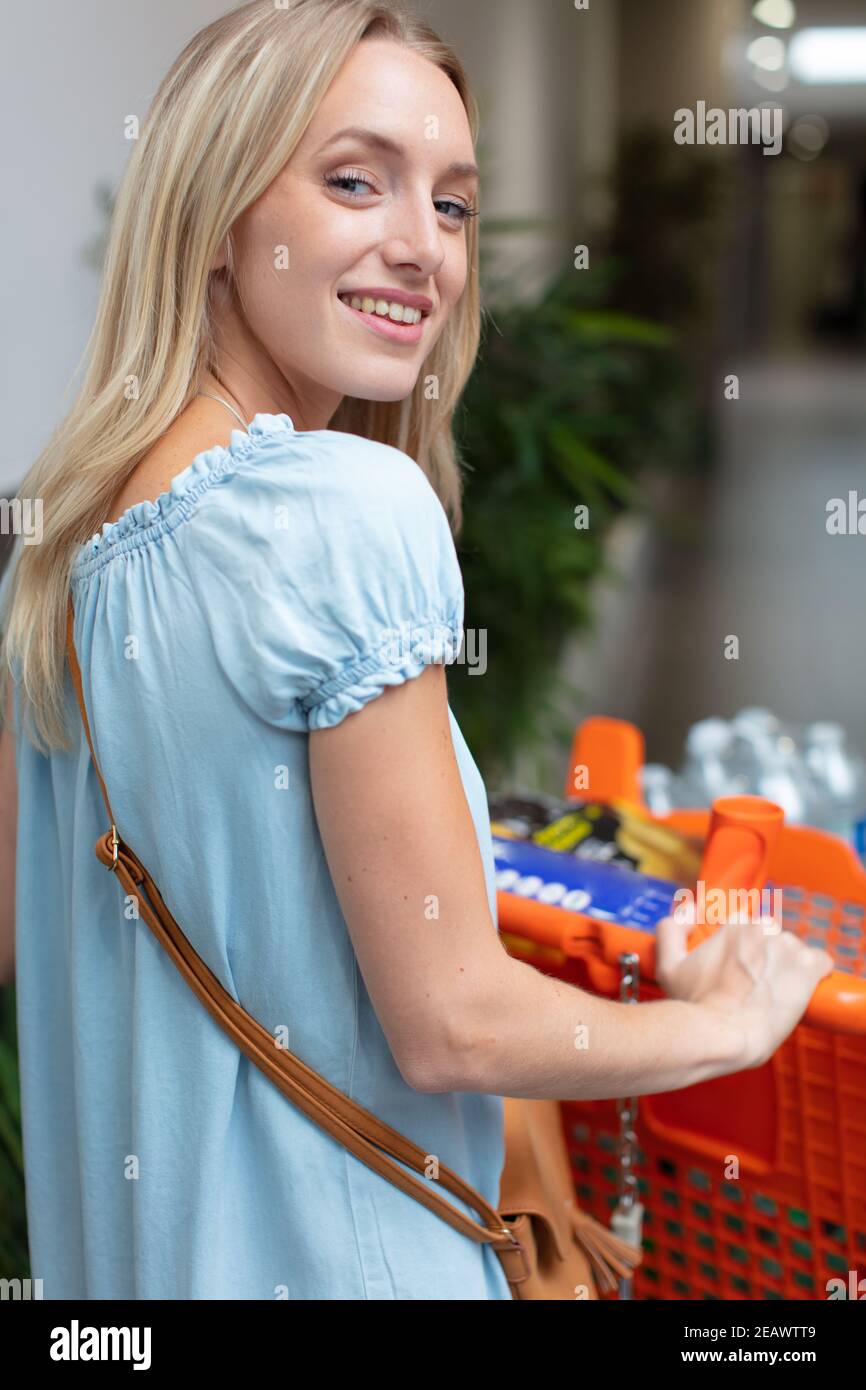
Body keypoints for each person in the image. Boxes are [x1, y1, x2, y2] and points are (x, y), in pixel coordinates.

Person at [0, 0, 833, 1301]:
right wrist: (724, 1018)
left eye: (451, 202)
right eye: (354, 181)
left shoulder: (58, 555)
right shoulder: (342, 510)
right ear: (219, 211)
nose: (423, 252)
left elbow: (48, 931)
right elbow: (449, 1025)